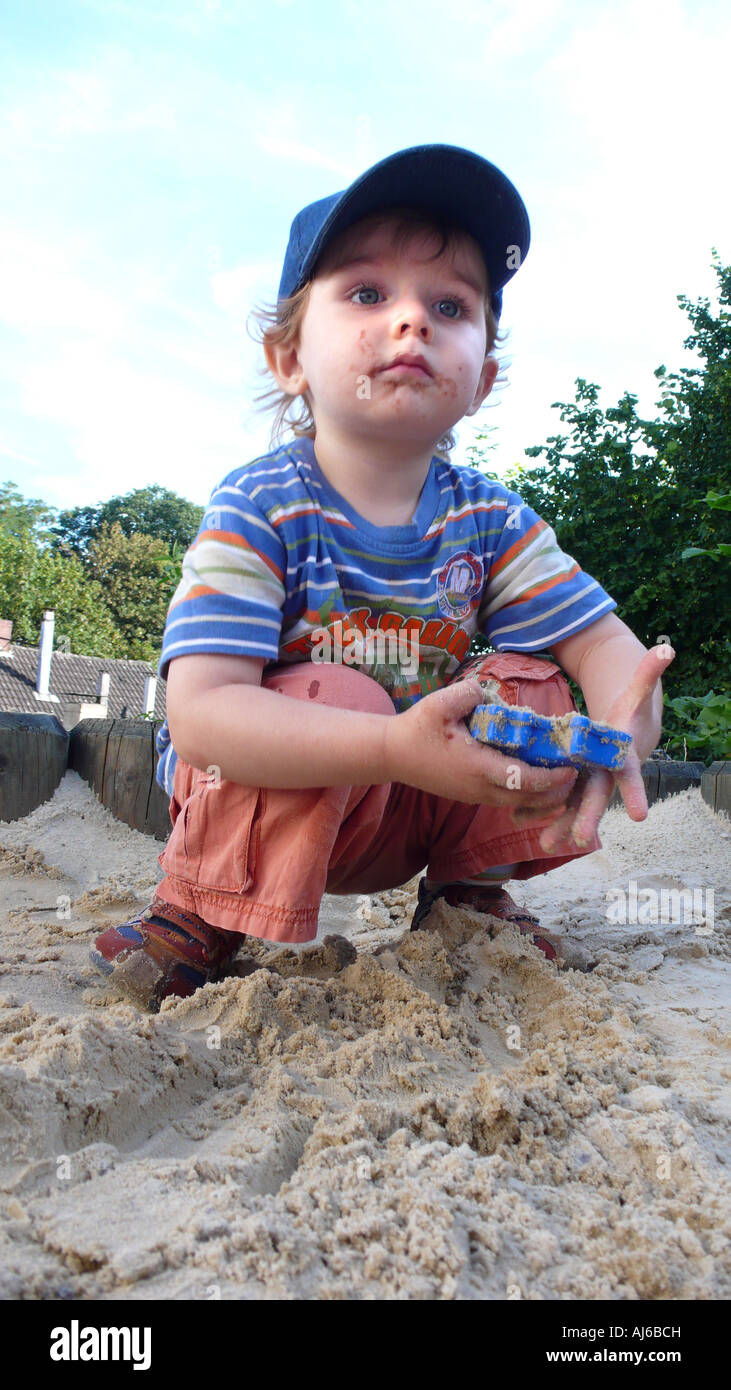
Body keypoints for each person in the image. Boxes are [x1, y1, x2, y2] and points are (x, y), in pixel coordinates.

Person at [90, 143, 673, 1012]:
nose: (413, 321)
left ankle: (466, 896)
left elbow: (605, 652)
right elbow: (202, 714)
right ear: (288, 357)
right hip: (256, 788)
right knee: (343, 693)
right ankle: (201, 907)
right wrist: (387, 744)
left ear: (481, 378)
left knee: (535, 686)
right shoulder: (261, 502)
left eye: (450, 304)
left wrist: (627, 727)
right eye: (367, 293)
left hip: (418, 792)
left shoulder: (492, 519)